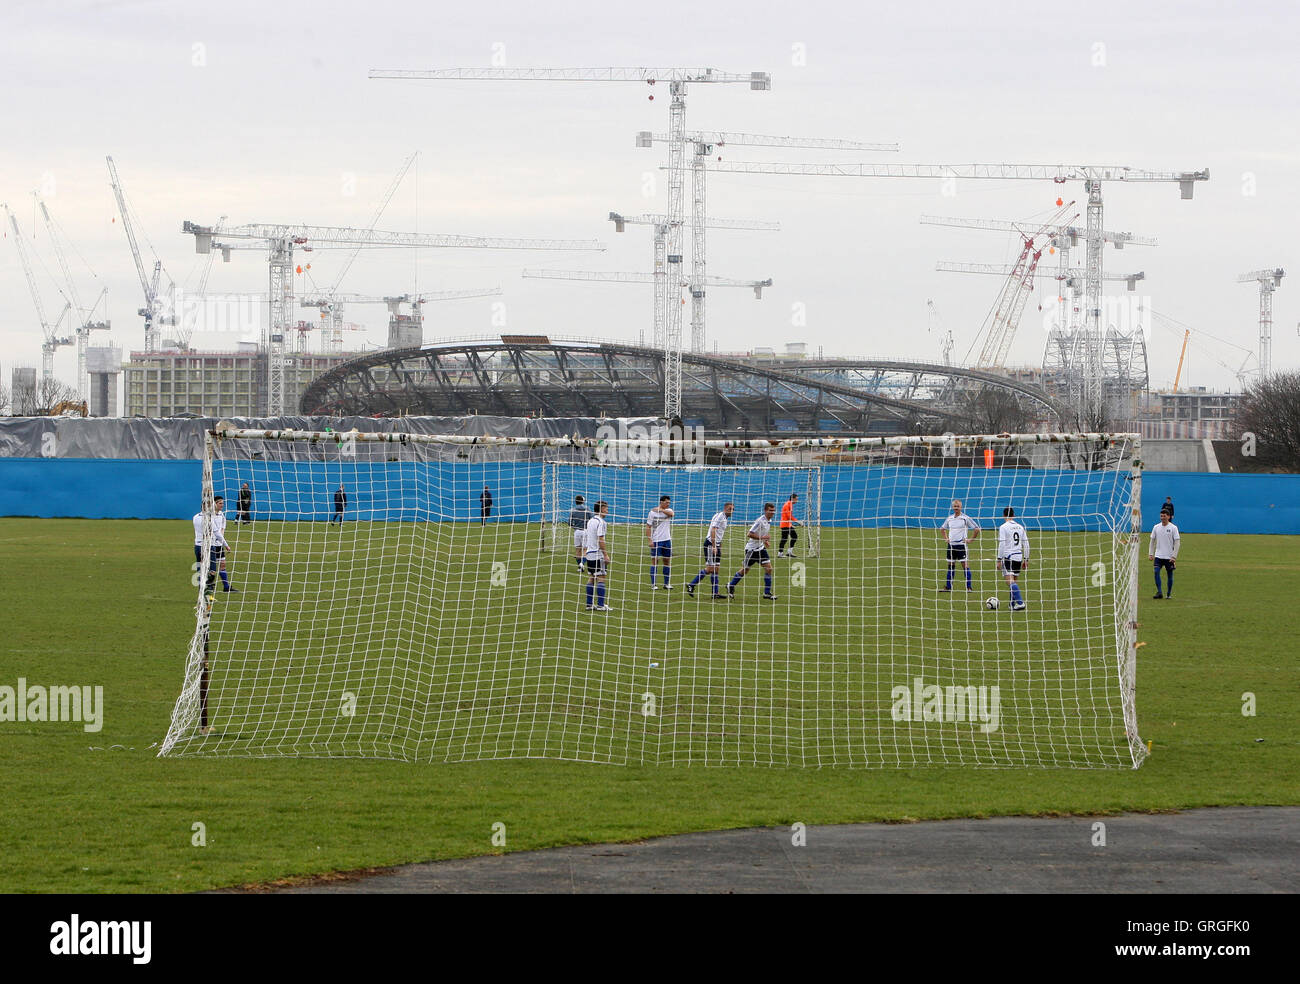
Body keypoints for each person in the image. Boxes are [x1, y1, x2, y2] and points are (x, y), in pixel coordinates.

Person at [727, 502, 778, 601]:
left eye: (773, 510)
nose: (772, 512)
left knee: (769, 568)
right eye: (770, 510)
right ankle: (731, 585)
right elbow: (749, 534)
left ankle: (767, 593)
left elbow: (762, 534)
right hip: (751, 550)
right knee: (745, 570)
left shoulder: (769, 521)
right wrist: (762, 538)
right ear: (765, 510)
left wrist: (765, 541)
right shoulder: (760, 521)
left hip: (760, 548)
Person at [686, 502, 733, 599]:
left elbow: (719, 533)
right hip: (710, 544)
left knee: (716, 569)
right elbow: (713, 530)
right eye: (730, 509)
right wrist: (714, 546)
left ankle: (715, 593)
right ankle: (691, 584)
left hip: (716, 544)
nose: (731, 511)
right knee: (710, 569)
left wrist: (719, 545)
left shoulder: (724, 518)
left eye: (733, 509)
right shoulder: (720, 517)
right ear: (725, 509)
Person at [193, 495, 235, 595]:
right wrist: (226, 544)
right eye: (220, 503)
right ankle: (207, 593)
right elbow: (216, 532)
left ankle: (224, 587)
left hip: (206, 545)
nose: (222, 505)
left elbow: (222, 528)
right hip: (209, 546)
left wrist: (221, 540)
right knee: (210, 570)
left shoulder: (196, 517)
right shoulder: (210, 518)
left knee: (215, 566)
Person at [939, 498, 980, 592]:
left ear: (961, 507)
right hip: (951, 546)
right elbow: (942, 529)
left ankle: (969, 587)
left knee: (965, 565)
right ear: (952, 507)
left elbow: (976, 529)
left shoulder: (965, 518)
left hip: (961, 546)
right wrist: (946, 539)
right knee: (950, 565)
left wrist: (970, 540)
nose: (956, 508)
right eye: (955, 506)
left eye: (958, 506)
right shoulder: (949, 518)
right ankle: (948, 587)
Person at [996, 507, 1029, 611]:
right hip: (1018, 557)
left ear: (1003, 515)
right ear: (1014, 515)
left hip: (1008, 557)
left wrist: (999, 559)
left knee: (1009, 581)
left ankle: (1020, 602)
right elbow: (1026, 544)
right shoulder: (1020, 527)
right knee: (1014, 580)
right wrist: (1026, 559)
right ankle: (1012, 604)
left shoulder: (1003, 527)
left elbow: (1002, 544)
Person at [583, 500, 613, 611]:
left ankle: (589, 604)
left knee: (591, 578)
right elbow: (601, 539)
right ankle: (600, 605)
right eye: (606, 509)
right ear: (601, 509)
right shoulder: (601, 522)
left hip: (589, 553)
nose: (607, 511)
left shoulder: (590, 521)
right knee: (601, 578)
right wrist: (605, 555)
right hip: (597, 553)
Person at [1149, 509, 1180, 599]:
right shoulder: (1156, 527)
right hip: (1158, 556)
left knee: (1170, 575)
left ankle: (1168, 594)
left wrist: (1174, 556)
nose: (1162, 518)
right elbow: (1152, 541)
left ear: (1168, 517)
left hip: (1169, 557)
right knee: (1156, 572)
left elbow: (1177, 543)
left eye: (1164, 516)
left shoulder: (1173, 528)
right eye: (1161, 516)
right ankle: (1159, 592)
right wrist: (1151, 553)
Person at [646, 494, 674, 589]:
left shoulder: (668, 511)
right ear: (661, 502)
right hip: (656, 540)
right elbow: (648, 526)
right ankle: (653, 584)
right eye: (666, 502)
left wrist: (661, 510)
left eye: (669, 503)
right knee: (655, 561)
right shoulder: (652, 513)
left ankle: (666, 584)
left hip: (667, 540)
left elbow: (672, 514)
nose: (668, 504)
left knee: (667, 561)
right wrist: (650, 540)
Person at [568, 494, 592, 570]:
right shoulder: (587, 509)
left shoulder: (573, 510)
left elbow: (569, 522)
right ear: (583, 501)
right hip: (586, 531)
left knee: (578, 549)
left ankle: (580, 566)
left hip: (577, 531)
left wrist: (574, 527)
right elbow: (591, 520)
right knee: (585, 549)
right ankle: (582, 563)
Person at [777, 492, 801, 557]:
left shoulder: (789, 504)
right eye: (796, 499)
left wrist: (791, 524)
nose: (797, 501)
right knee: (786, 538)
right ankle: (781, 553)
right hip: (785, 525)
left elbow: (787, 516)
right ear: (792, 499)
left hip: (787, 524)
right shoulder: (788, 504)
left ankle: (787, 552)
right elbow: (788, 516)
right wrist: (798, 521)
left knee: (792, 537)